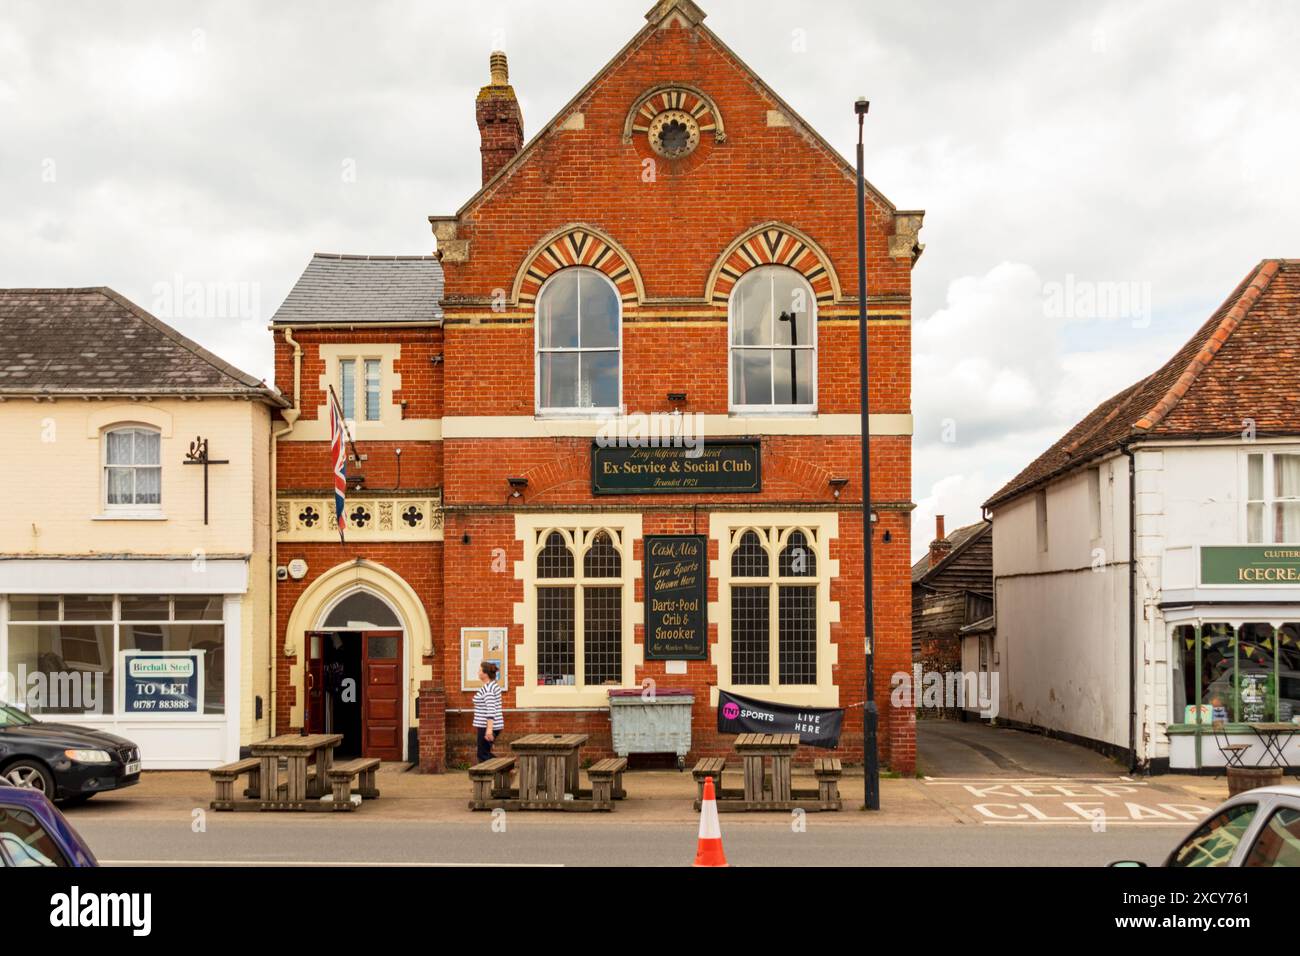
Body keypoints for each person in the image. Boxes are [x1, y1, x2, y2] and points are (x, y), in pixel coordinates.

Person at [472, 662, 503, 763]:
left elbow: (491, 709)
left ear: (485, 674)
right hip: (489, 726)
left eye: (480, 670)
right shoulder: (492, 686)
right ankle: (505, 769)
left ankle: (506, 769)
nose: (478, 672)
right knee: (484, 753)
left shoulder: (489, 689)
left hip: (487, 726)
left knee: (482, 754)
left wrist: (489, 730)